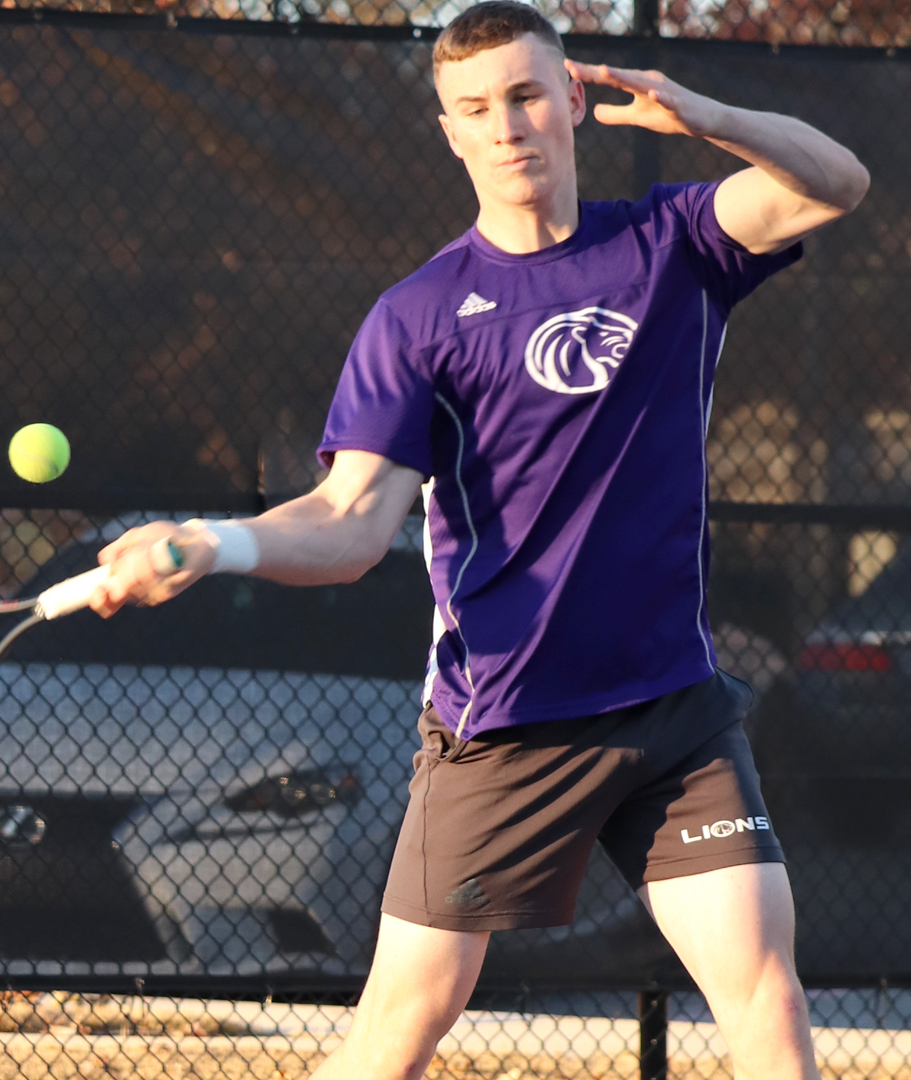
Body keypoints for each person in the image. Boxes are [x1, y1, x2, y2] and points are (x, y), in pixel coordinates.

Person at [90, 4, 868, 1077]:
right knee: (402, 1025)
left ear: (574, 102)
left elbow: (839, 184)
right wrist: (214, 544)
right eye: (474, 109)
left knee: (764, 999)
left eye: (525, 95)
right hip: (505, 722)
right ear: (448, 133)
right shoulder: (415, 319)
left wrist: (709, 116)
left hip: (673, 711)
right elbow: (351, 522)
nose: (505, 127)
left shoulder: (675, 242)